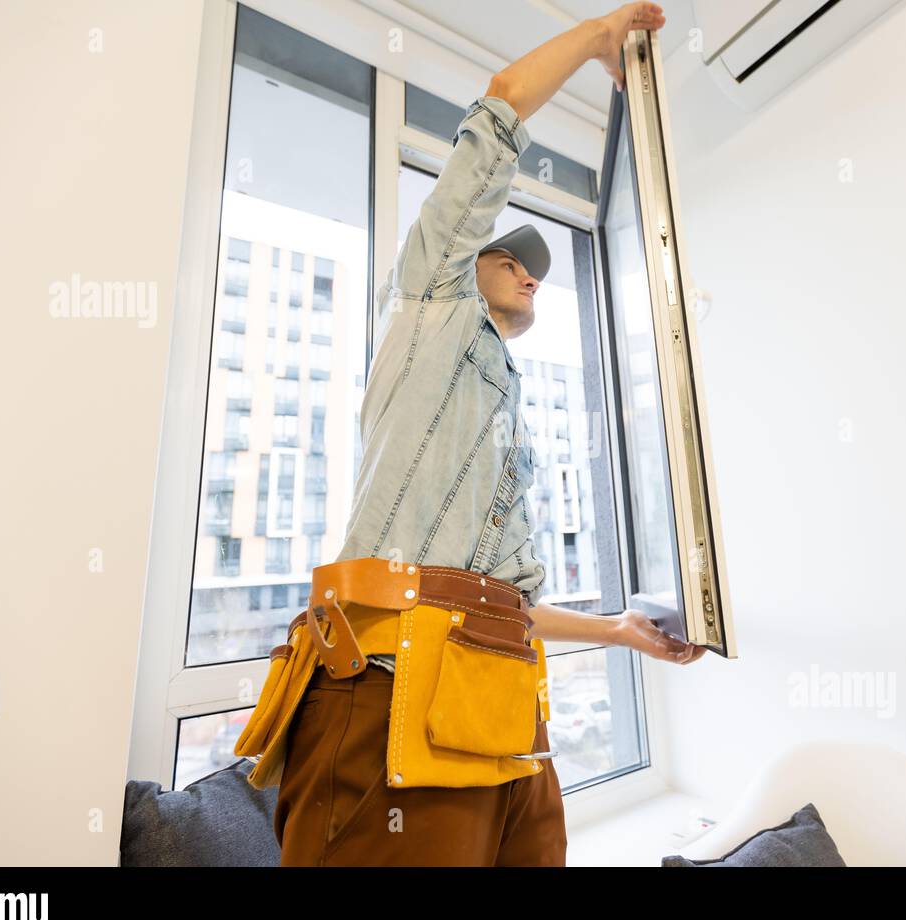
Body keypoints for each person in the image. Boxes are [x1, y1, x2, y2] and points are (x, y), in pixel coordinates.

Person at [275, 1, 707, 867]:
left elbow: (495, 602)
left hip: (504, 713)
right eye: (509, 255)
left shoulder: (505, 413)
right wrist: (595, 39)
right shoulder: (431, 299)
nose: (528, 273)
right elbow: (503, 102)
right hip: (390, 693)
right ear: (462, 258)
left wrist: (620, 630)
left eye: (539, 270)